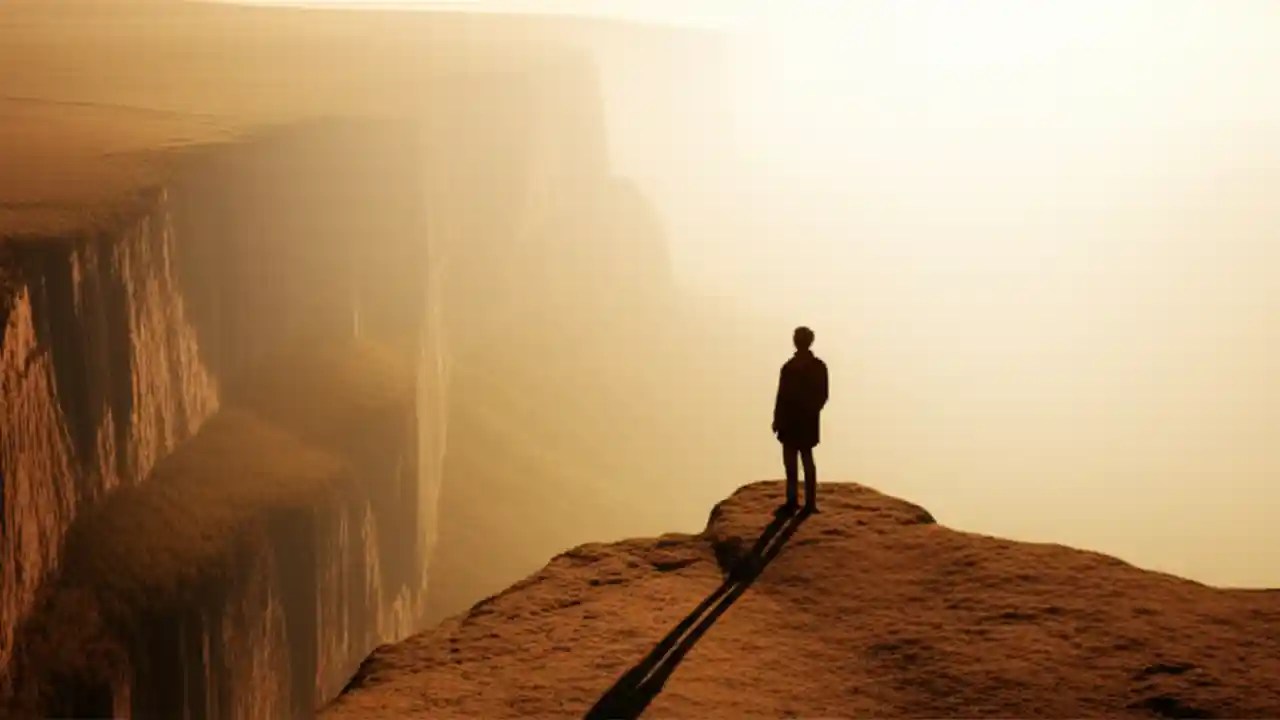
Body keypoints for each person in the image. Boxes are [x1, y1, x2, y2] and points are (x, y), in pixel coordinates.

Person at [772, 326, 828, 514]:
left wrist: (807, 411)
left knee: (802, 459)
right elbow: (781, 396)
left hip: (801, 420)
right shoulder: (793, 367)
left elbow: (821, 395)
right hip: (793, 420)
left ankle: (805, 502)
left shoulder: (811, 367)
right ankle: (795, 501)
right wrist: (778, 418)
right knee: (795, 460)